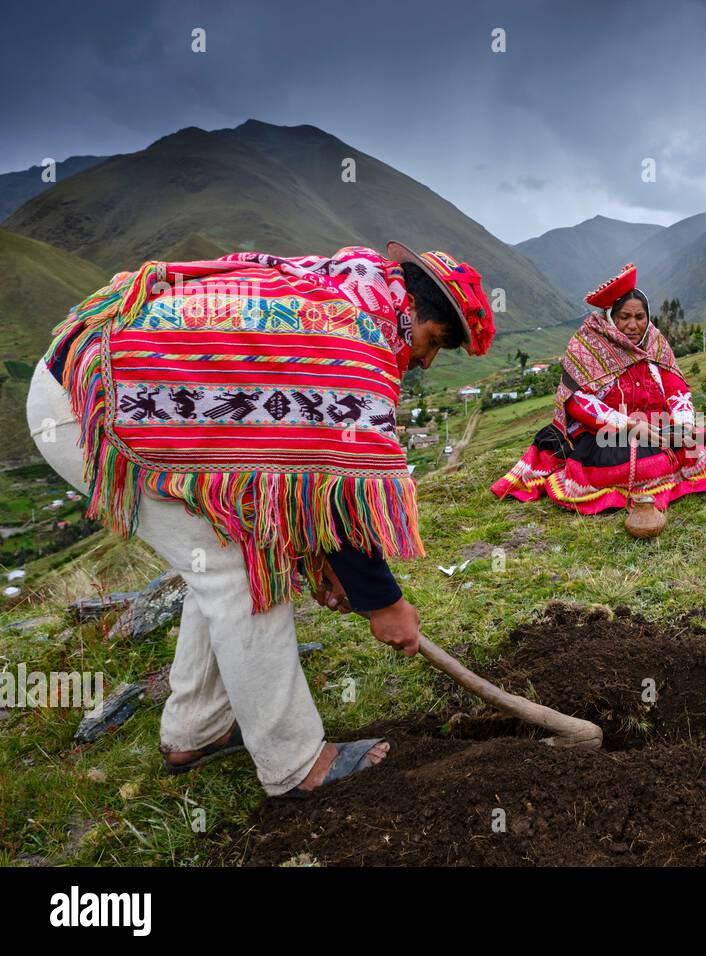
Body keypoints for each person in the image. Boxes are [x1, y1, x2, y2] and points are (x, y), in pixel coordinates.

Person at [26, 241, 494, 795]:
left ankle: (197, 728)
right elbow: (336, 487)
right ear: (412, 310)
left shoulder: (351, 294)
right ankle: (296, 766)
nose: (426, 360)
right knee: (246, 573)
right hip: (96, 404)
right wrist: (383, 604)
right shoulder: (353, 341)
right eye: (433, 342)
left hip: (126, 390)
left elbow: (297, 475)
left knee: (226, 561)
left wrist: (338, 569)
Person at [491, 263, 706, 517]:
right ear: (610, 317)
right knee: (633, 462)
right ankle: (646, 481)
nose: (632, 325)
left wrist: (683, 425)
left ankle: (664, 466)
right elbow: (577, 401)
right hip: (603, 432)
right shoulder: (588, 342)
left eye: (639, 317)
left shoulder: (654, 340)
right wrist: (628, 425)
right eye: (624, 317)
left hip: (655, 426)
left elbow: (675, 385)